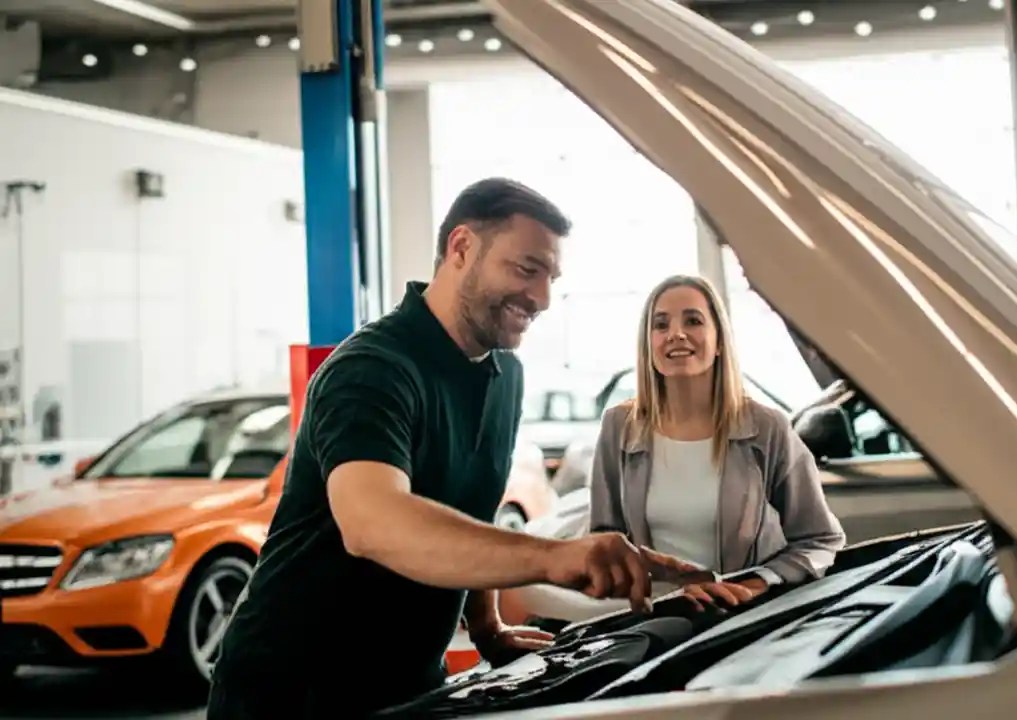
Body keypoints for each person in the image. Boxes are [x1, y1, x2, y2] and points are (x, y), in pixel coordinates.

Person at [207, 178, 701, 719]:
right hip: (292, 691)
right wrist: (554, 558)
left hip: (410, 682)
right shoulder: (371, 369)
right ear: (461, 247)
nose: (541, 298)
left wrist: (487, 627)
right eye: (527, 269)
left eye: (551, 278)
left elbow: (472, 508)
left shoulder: (505, 375)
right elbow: (373, 523)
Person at [590, 274, 846, 611]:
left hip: (742, 617)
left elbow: (820, 540)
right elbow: (604, 543)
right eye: (661, 324)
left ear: (720, 340)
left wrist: (755, 585)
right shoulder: (618, 427)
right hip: (655, 619)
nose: (676, 334)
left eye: (693, 321)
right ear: (648, 344)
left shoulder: (768, 428)